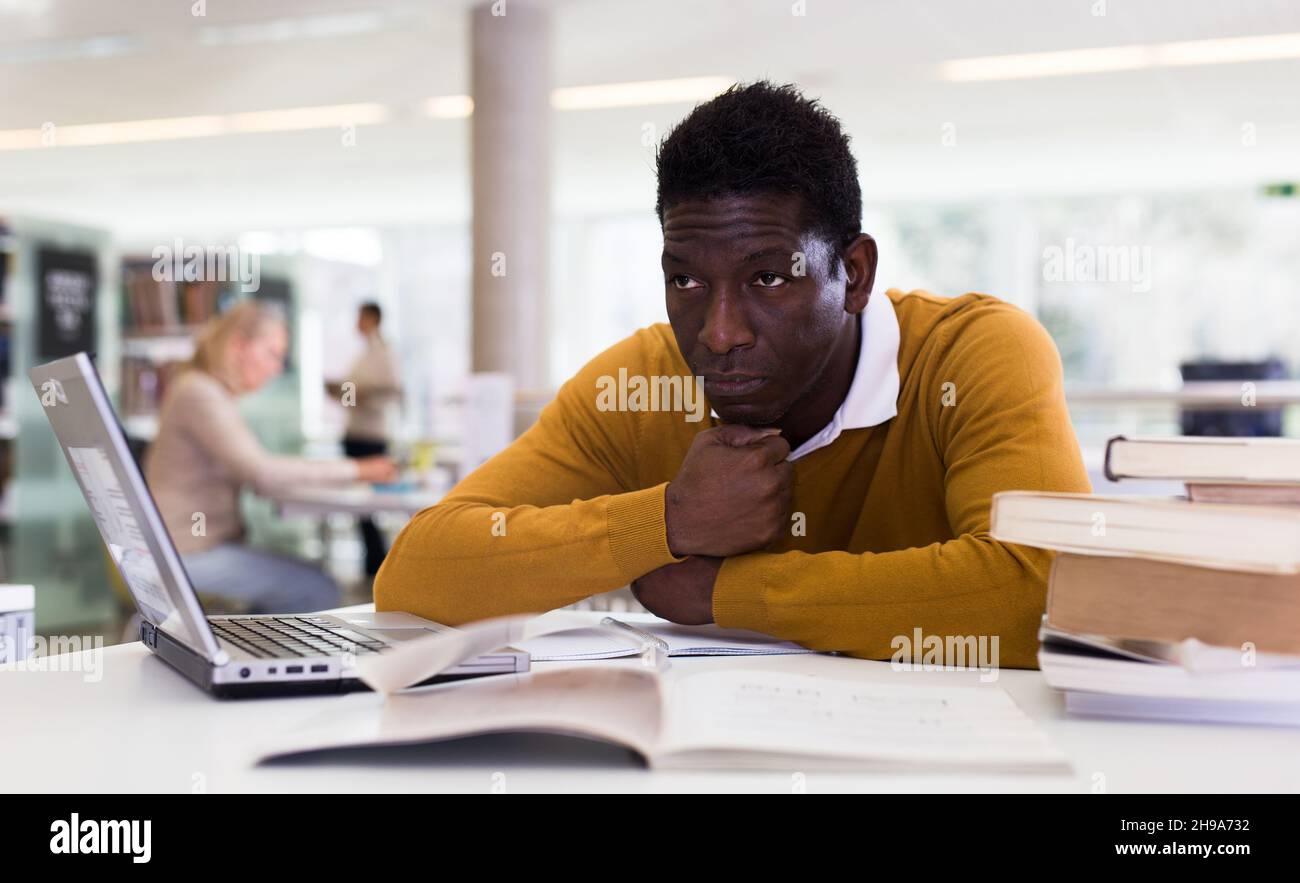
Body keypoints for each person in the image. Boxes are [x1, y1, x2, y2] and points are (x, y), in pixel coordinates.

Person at [374, 82, 1091, 668]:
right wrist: (669, 518)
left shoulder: (973, 353)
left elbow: (1043, 593)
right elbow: (418, 576)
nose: (719, 333)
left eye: (768, 277)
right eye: (685, 281)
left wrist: (729, 593)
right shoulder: (638, 383)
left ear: (854, 274)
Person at [145, 300, 397, 613]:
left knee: (308, 577)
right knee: (317, 588)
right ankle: (244, 655)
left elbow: (259, 474)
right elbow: (261, 473)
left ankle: (244, 650)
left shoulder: (203, 391)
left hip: (190, 548)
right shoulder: (199, 393)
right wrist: (359, 470)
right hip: (185, 554)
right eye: (272, 354)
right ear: (238, 345)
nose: (277, 368)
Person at [328, 301, 403, 576]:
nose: (357, 323)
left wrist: (359, 394)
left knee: (370, 503)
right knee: (360, 507)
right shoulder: (364, 353)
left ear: (373, 319)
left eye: (361, 317)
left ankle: (380, 563)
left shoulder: (384, 353)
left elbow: (391, 392)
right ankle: (373, 561)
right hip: (355, 432)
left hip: (371, 436)